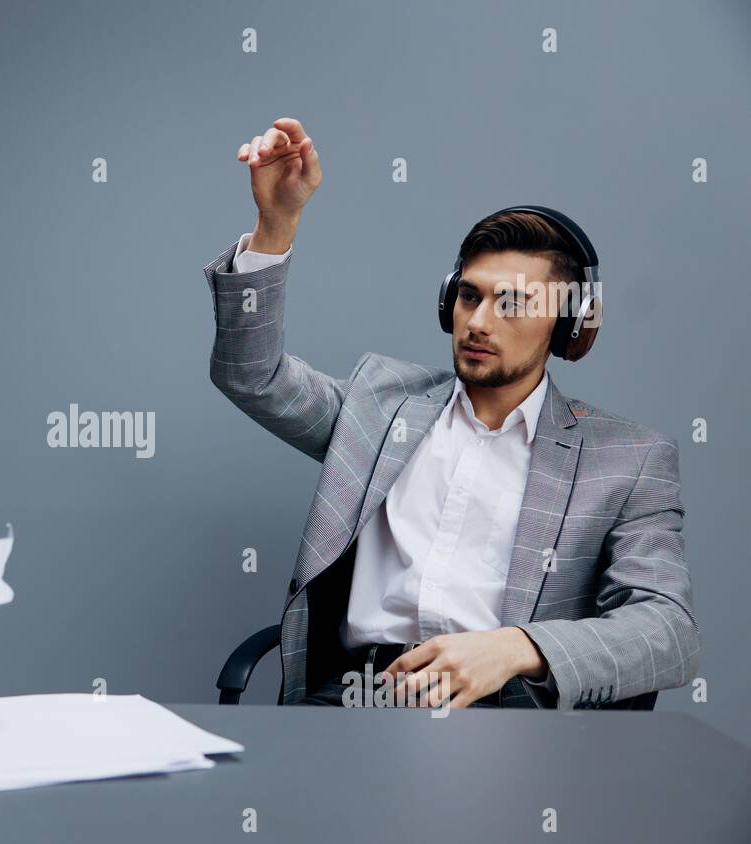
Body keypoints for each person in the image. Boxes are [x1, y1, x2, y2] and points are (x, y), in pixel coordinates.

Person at [205, 117, 699, 709]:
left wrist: (518, 647)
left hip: (507, 713)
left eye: (513, 302)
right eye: (470, 295)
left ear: (567, 324)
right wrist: (276, 224)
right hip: (353, 700)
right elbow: (251, 375)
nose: (480, 321)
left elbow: (667, 631)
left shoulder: (629, 459)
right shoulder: (378, 405)